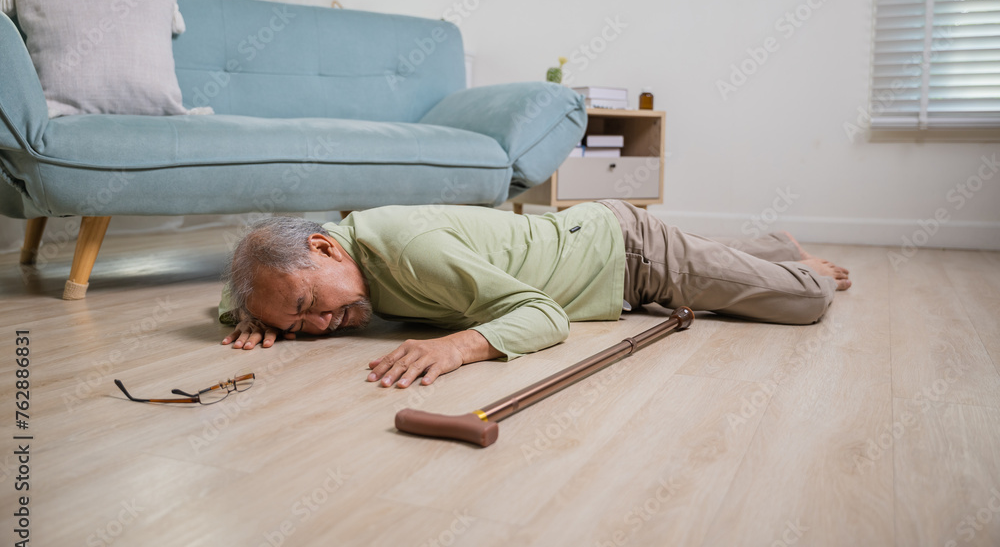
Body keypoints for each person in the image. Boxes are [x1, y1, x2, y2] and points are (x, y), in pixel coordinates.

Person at [219, 200, 850, 389]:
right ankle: (763, 248)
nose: (322, 325)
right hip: (589, 249)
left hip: (630, 257)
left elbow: (543, 313)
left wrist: (462, 346)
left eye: (308, 307)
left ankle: (788, 264)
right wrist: (253, 313)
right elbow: (240, 283)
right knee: (720, 263)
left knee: (805, 301)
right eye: (300, 327)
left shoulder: (409, 252)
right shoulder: (323, 259)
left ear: (326, 248)